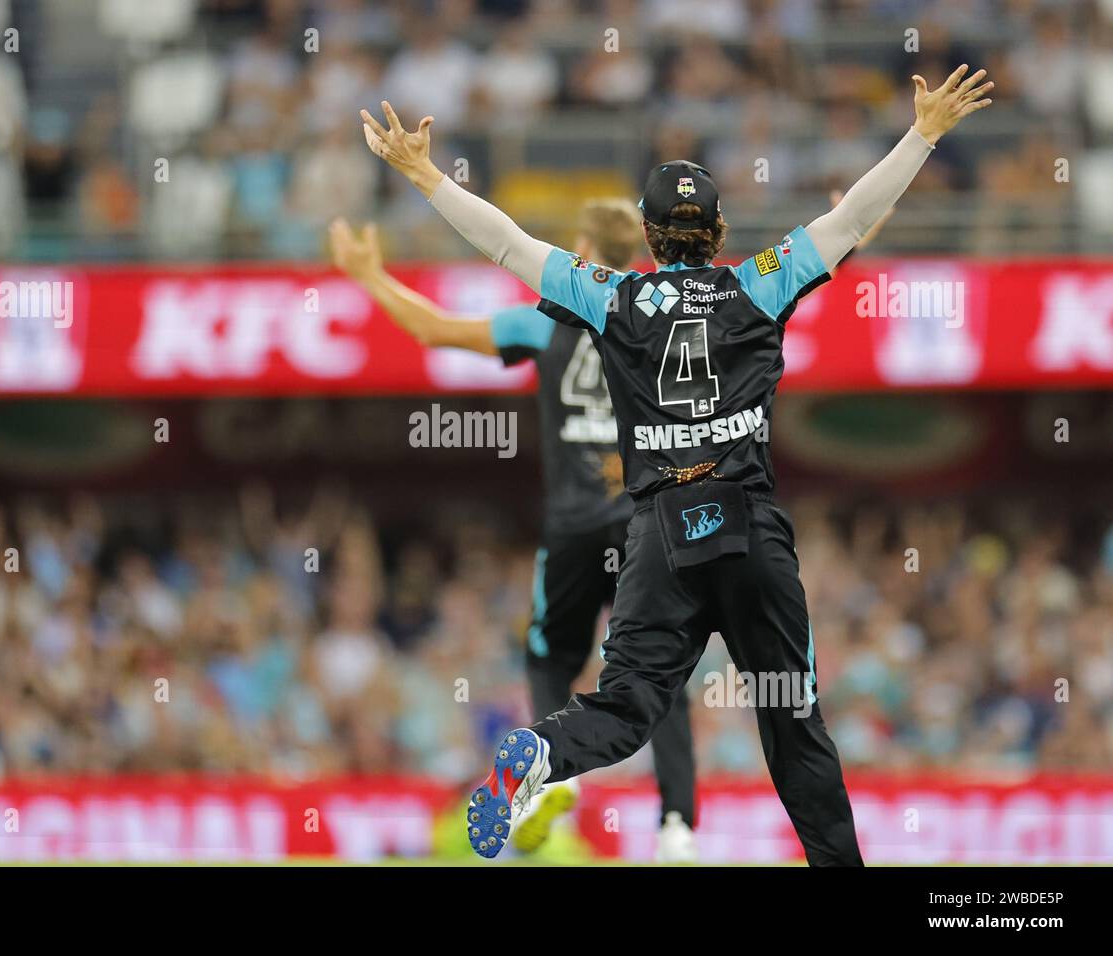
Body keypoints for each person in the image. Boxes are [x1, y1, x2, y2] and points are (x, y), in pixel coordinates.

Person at [358, 63, 993, 865]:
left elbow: (508, 244)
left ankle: (546, 757)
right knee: (793, 727)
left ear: (650, 237)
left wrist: (423, 175)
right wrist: (923, 133)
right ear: (720, 231)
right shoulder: (760, 284)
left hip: (658, 535)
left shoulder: (612, 297)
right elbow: (852, 219)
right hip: (749, 528)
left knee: (628, 707)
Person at [327, 203, 700, 862]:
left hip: (573, 528)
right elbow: (763, 312)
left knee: (550, 658)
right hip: (644, 523)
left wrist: (370, 276)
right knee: (658, 667)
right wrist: (853, 236)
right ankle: (676, 824)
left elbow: (434, 330)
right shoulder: (664, 320)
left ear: (583, 248)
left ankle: (553, 782)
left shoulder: (547, 321)